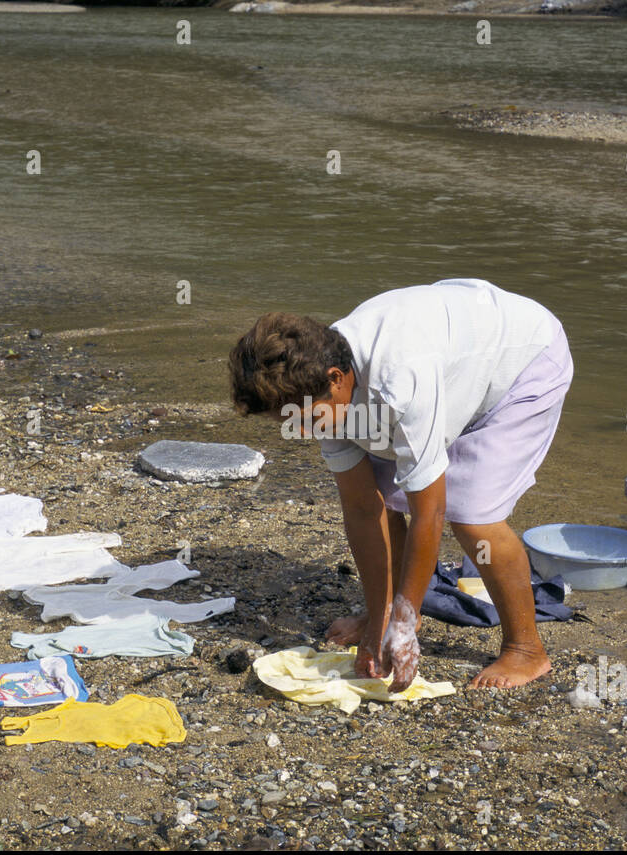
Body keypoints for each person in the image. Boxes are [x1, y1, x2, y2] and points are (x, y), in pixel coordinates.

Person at [228, 277, 573, 690]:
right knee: (384, 492)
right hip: (451, 358)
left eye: (302, 419)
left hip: (523, 359)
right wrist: (380, 620)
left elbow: (432, 511)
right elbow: (362, 507)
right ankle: (386, 613)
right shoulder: (310, 381)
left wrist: (405, 626)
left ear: (336, 380)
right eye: (285, 422)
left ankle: (526, 649)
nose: (298, 430)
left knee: (473, 517)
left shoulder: (399, 382)